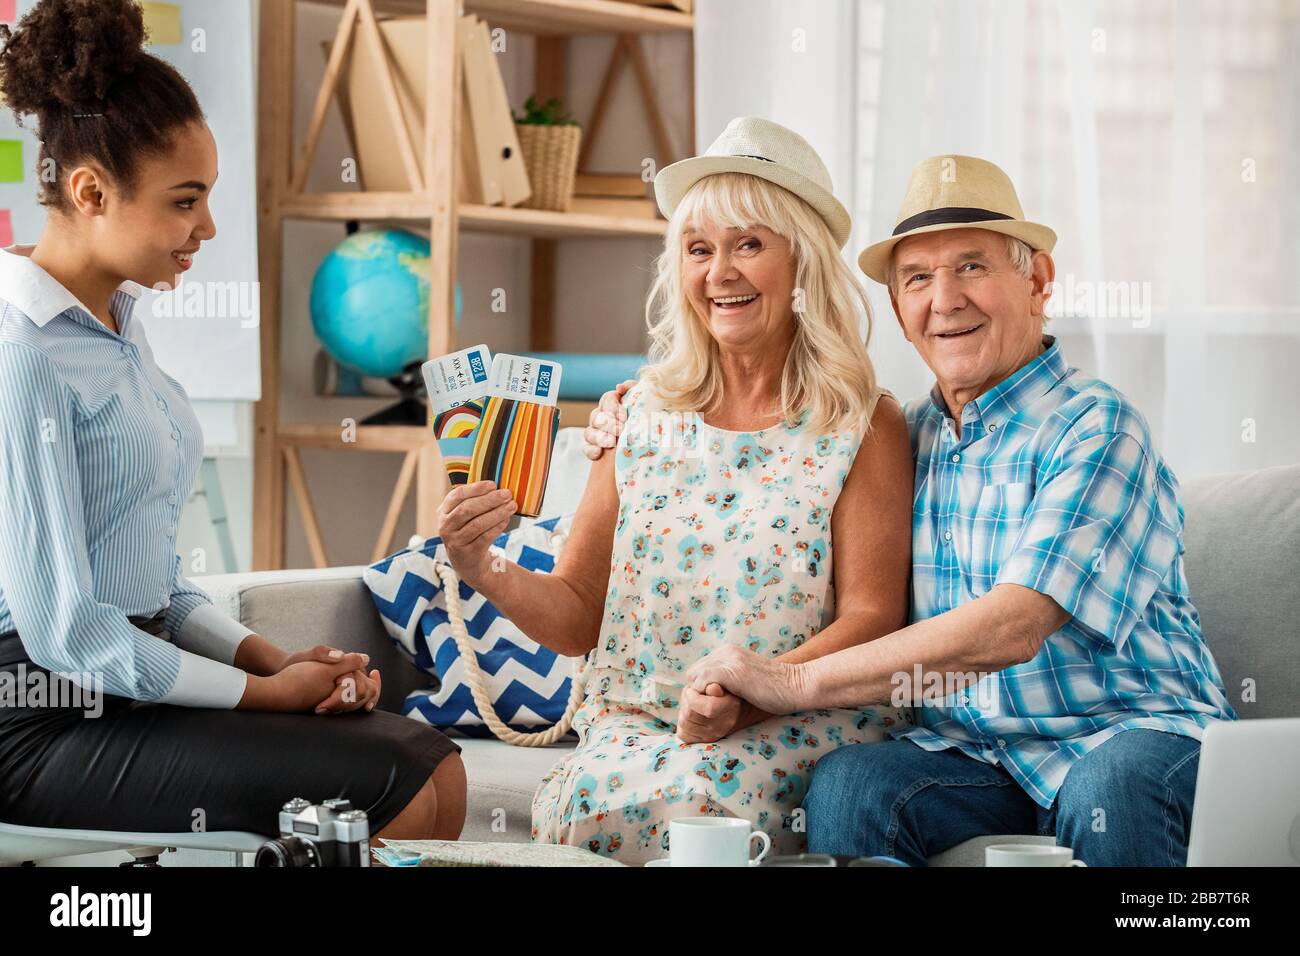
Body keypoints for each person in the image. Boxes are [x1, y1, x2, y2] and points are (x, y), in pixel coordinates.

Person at [584, 153, 1236, 866]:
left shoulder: (1097, 426)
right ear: (898, 309)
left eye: (971, 267)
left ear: (1038, 281)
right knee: (852, 785)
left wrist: (788, 683)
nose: (945, 299)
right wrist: (625, 412)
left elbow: (1014, 627)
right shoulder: (907, 437)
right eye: (917, 279)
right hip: (977, 757)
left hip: (1132, 737)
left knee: (1111, 787)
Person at [0, 0, 464, 845]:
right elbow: (65, 631)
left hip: (131, 689)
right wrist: (261, 697)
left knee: (429, 760)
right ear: (91, 191)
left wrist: (272, 660)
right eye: (185, 203)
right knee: (401, 779)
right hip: (37, 719)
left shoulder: (120, 331)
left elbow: (158, 589)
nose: (207, 229)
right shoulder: (21, 354)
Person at [436, 117, 913, 864]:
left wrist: (751, 694)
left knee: (698, 812)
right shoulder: (640, 413)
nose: (720, 272)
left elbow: (874, 618)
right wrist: (482, 567)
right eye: (699, 250)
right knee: (589, 807)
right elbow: (576, 615)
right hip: (637, 726)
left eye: (748, 245)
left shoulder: (862, 423)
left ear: (803, 263)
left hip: (793, 723)